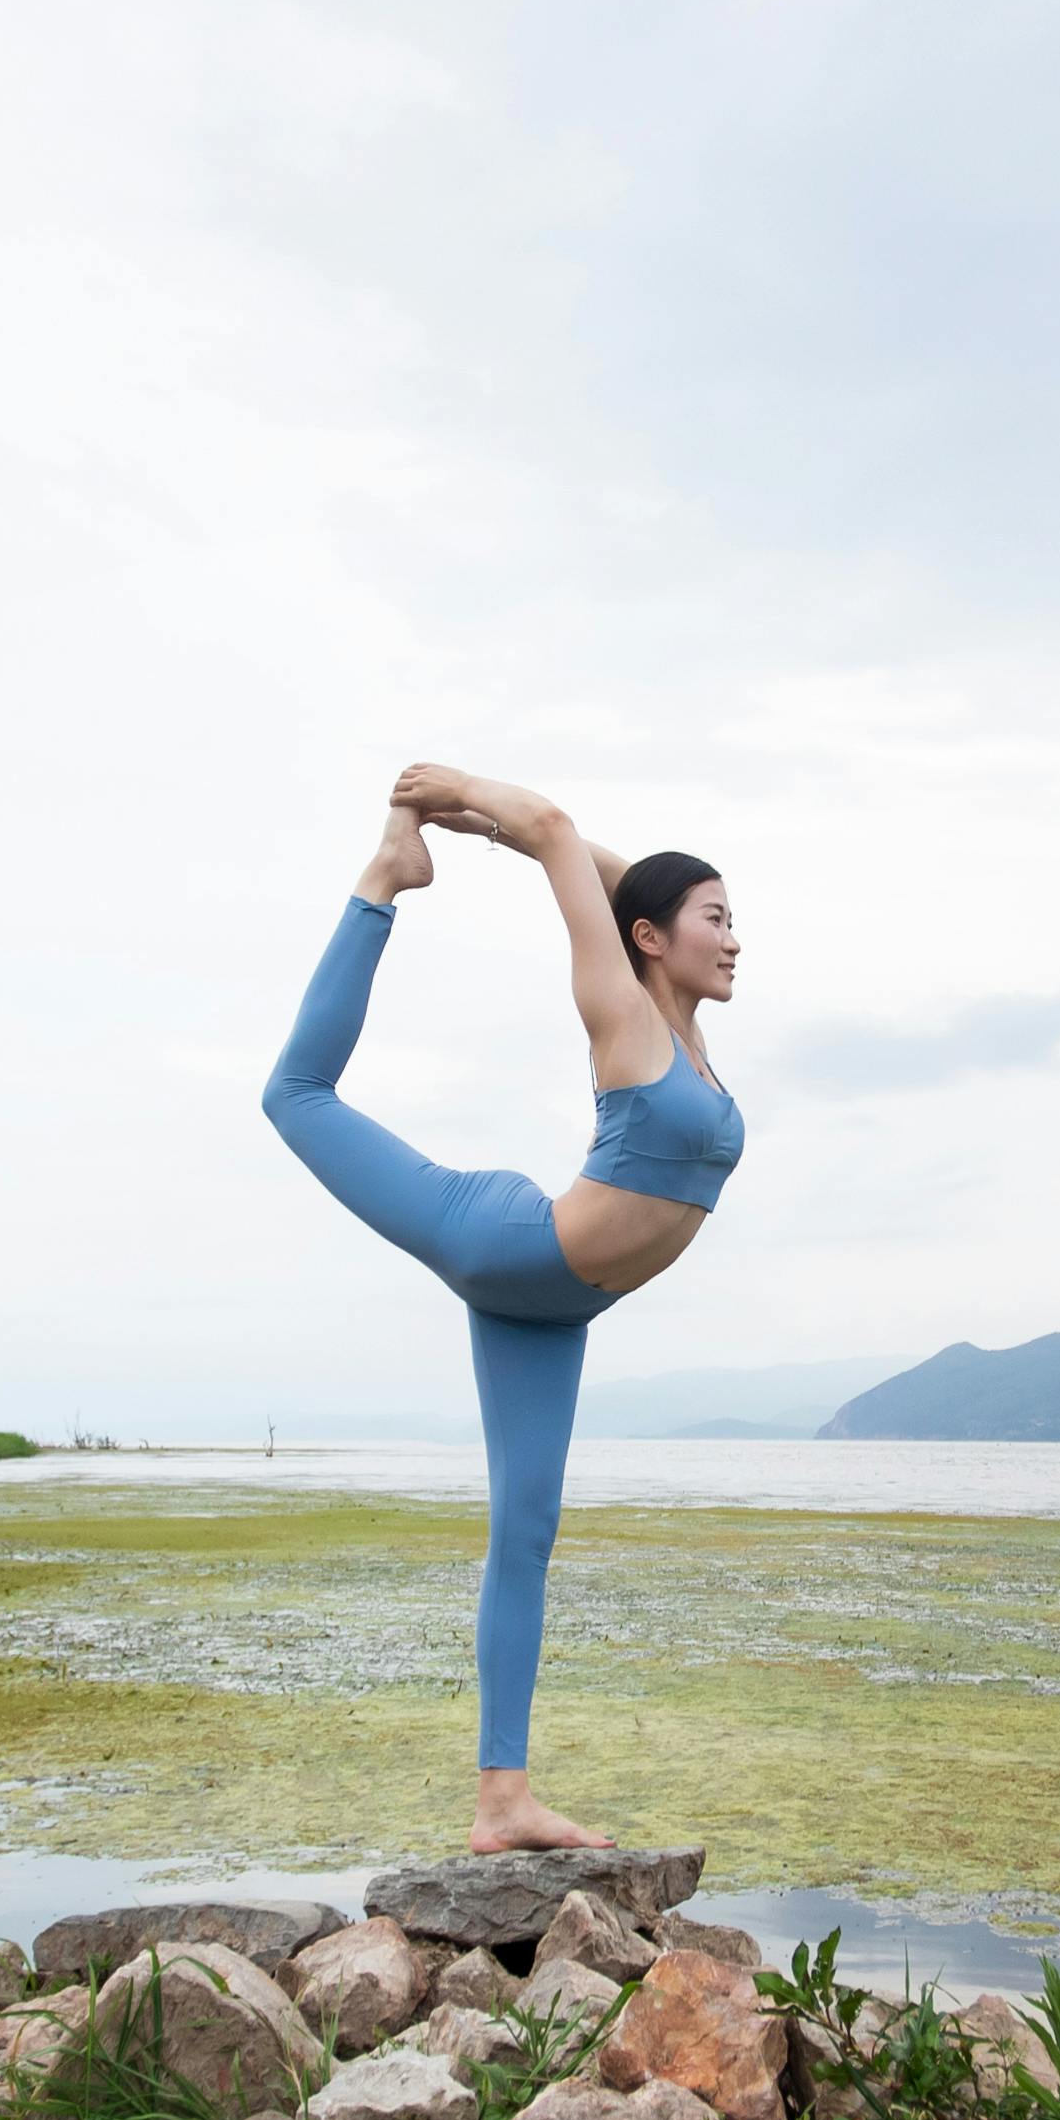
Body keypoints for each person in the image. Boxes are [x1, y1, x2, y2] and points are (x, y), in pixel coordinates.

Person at [260, 765, 744, 1855]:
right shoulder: (623, 1014)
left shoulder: (696, 1043)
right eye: (716, 918)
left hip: (554, 1311)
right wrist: (477, 811)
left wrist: (550, 852)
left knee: (524, 1536)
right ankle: (382, 881)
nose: (735, 938)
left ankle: (501, 1801)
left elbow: (627, 886)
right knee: (295, 1097)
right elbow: (568, 836)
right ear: (655, 941)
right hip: (504, 1241)